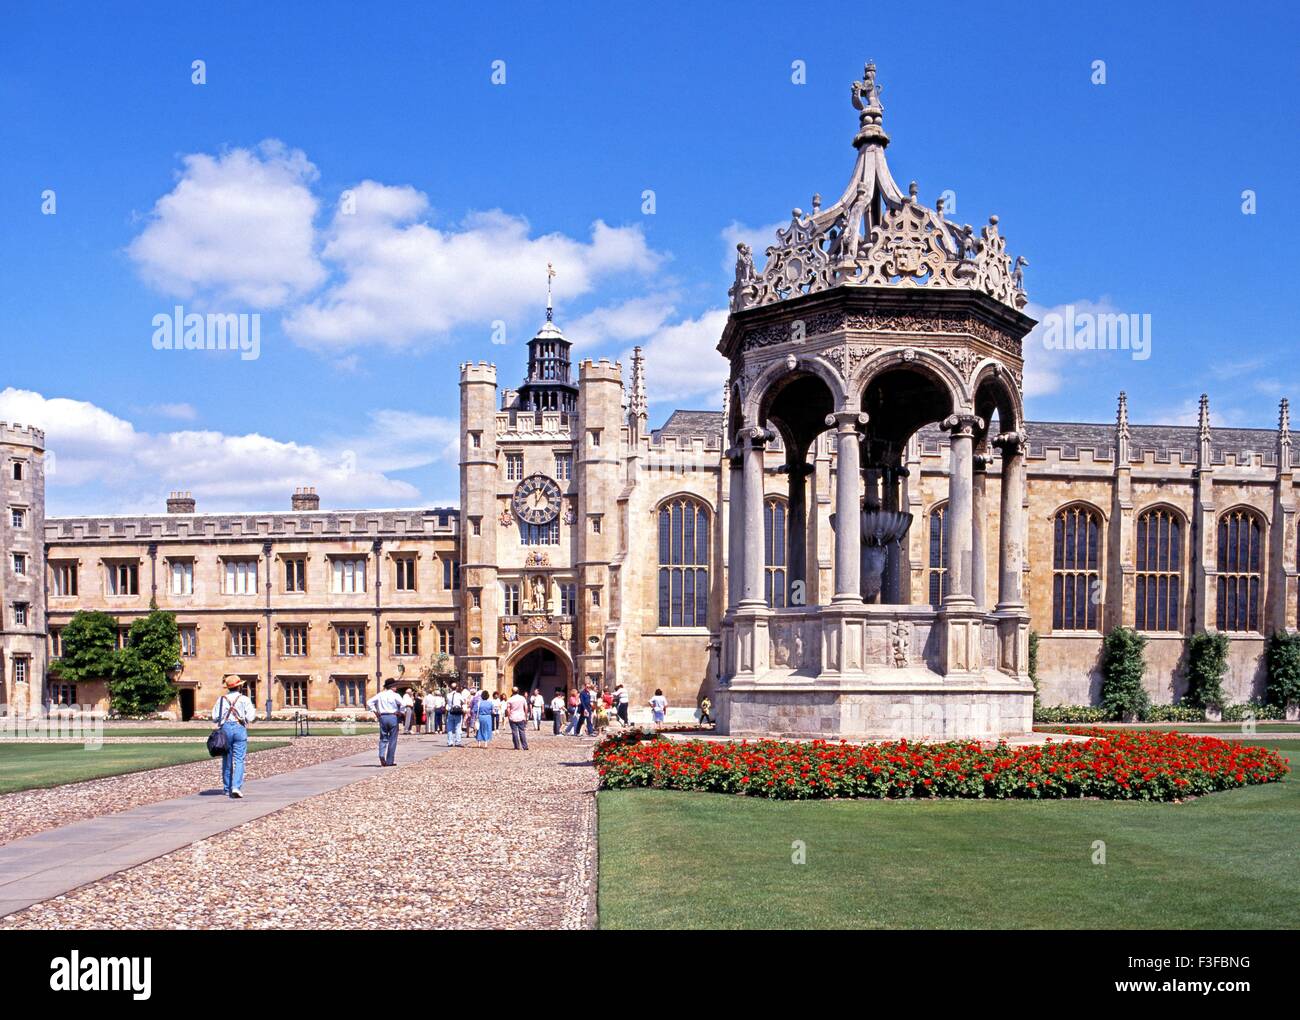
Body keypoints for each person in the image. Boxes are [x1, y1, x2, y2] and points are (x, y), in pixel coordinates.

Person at [212, 674, 256, 798]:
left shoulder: (221, 700)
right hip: (239, 727)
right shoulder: (244, 699)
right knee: (239, 759)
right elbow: (251, 717)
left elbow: (215, 718)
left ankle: (227, 788)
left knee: (227, 759)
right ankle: (236, 787)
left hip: (225, 728)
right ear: (239, 687)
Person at [367, 679, 405, 766]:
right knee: (392, 739)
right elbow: (403, 704)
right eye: (395, 686)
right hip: (392, 716)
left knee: (383, 737)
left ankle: (381, 754)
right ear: (391, 686)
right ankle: (389, 761)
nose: (396, 687)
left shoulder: (380, 695)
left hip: (383, 717)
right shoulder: (396, 695)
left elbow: (369, 702)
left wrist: (375, 711)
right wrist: (401, 712)